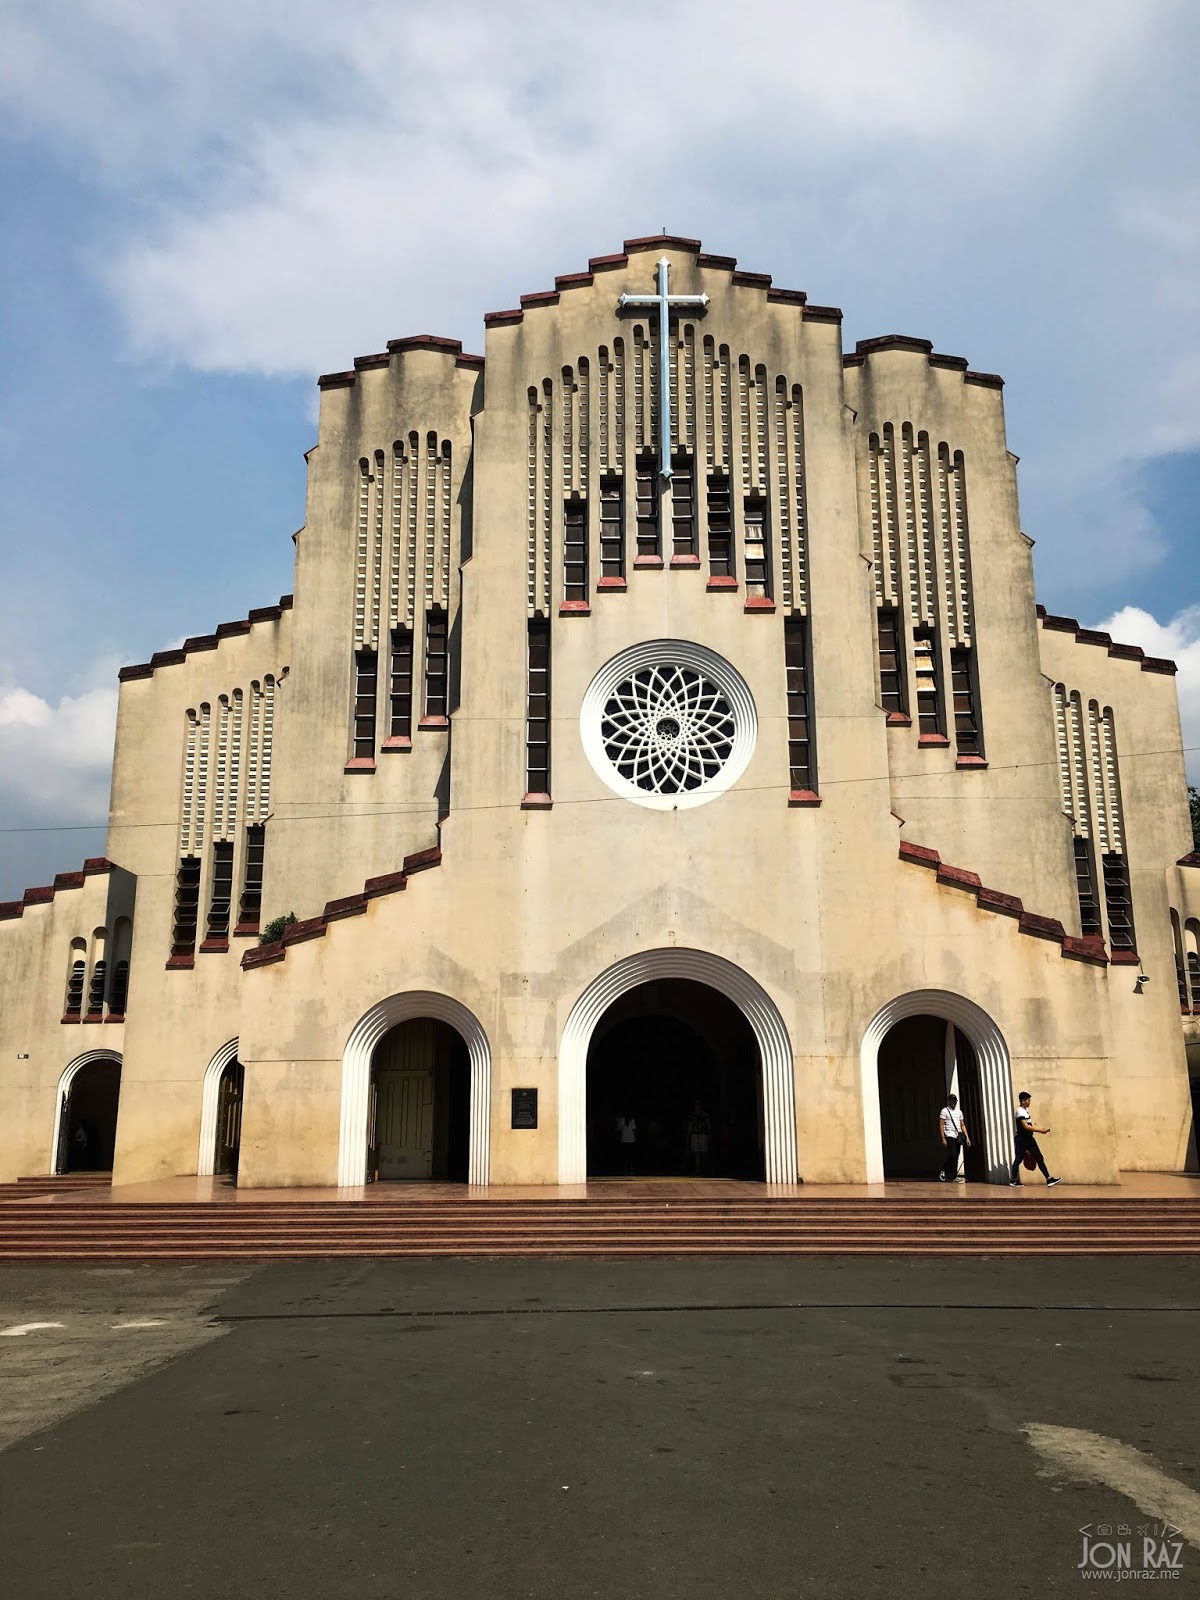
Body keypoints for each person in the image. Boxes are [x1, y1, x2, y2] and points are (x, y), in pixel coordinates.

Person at [1010, 1092, 1060, 1186]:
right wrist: (1040, 1130)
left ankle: (1049, 1179)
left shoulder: (1025, 1111)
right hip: (1022, 1139)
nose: (1030, 1102)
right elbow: (1025, 1126)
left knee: (1039, 1158)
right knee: (1018, 1159)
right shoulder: (1019, 1111)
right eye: (1028, 1100)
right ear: (1023, 1101)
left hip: (1029, 1139)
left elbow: (1030, 1125)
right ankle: (1013, 1180)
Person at [938, 1093, 970, 1182]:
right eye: (952, 1101)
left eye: (955, 1101)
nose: (953, 1103)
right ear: (948, 1101)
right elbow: (941, 1125)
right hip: (949, 1135)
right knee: (953, 1154)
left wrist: (967, 1137)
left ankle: (954, 1175)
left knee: (956, 1156)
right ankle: (944, 1169)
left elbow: (962, 1125)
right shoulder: (944, 1111)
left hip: (958, 1136)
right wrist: (943, 1137)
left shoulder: (959, 1112)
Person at [686, 1101, 711, 1176]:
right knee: (696, 1153)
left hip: (703, 1135)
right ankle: (698, 1171)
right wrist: (688, 1136)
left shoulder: (705, 1115)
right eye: (696, 1105)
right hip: (694, 1135)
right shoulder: (692, 1115)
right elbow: (689, 1127)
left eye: (698, 1105)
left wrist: (709, 1135)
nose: (697, 1107)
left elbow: (708, 1125)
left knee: (704, 1153)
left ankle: (704, 1169)